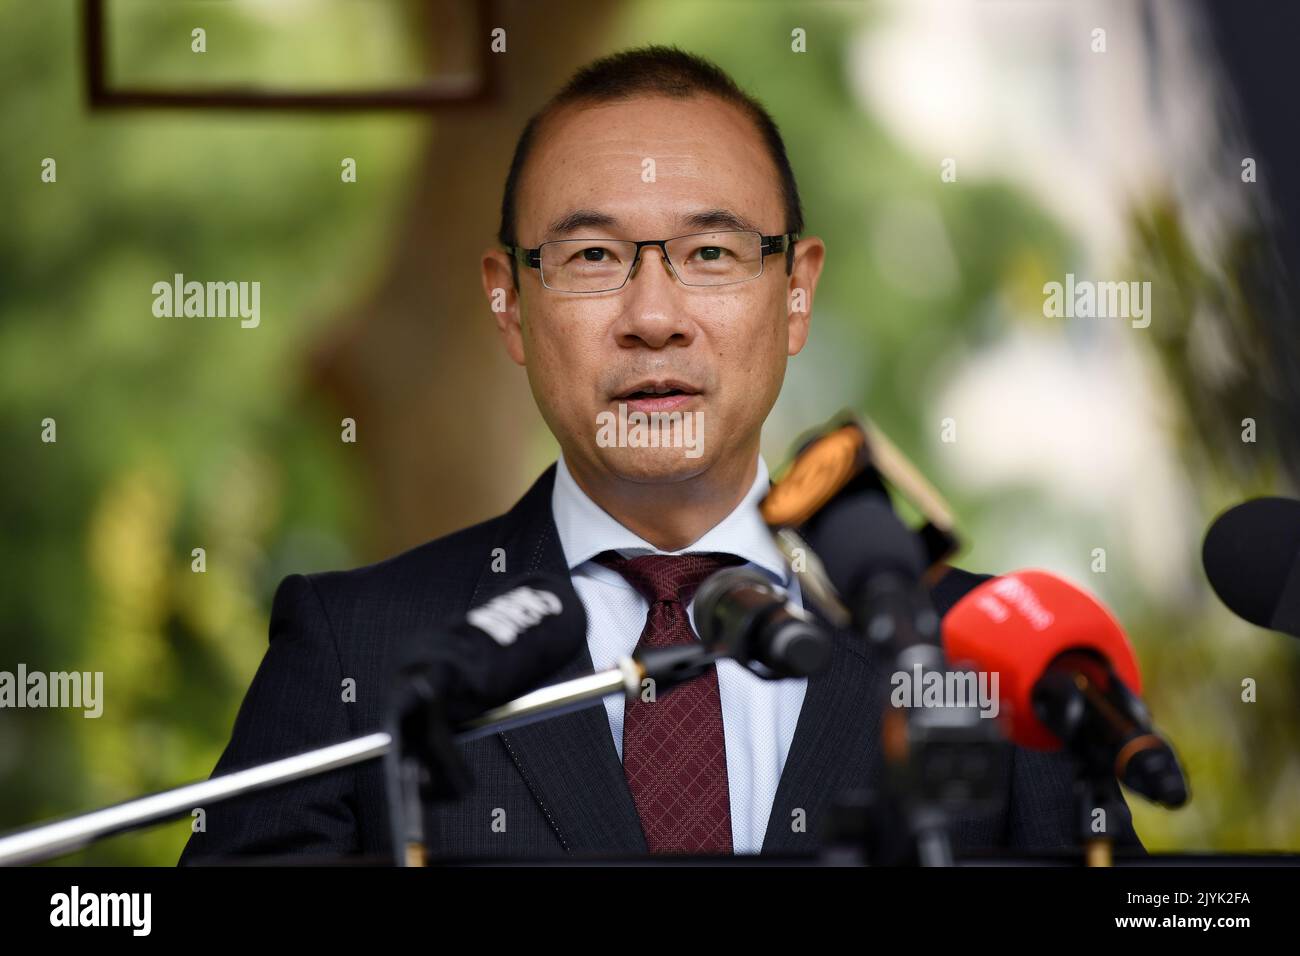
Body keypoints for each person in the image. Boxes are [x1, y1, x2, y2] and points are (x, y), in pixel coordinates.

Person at [180, 45, 1142, 863]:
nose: (653, 319)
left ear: (797, 292)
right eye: (593, 258)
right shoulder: (363, 649)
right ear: (509, 301)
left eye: (712, 255)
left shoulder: (990, 662)